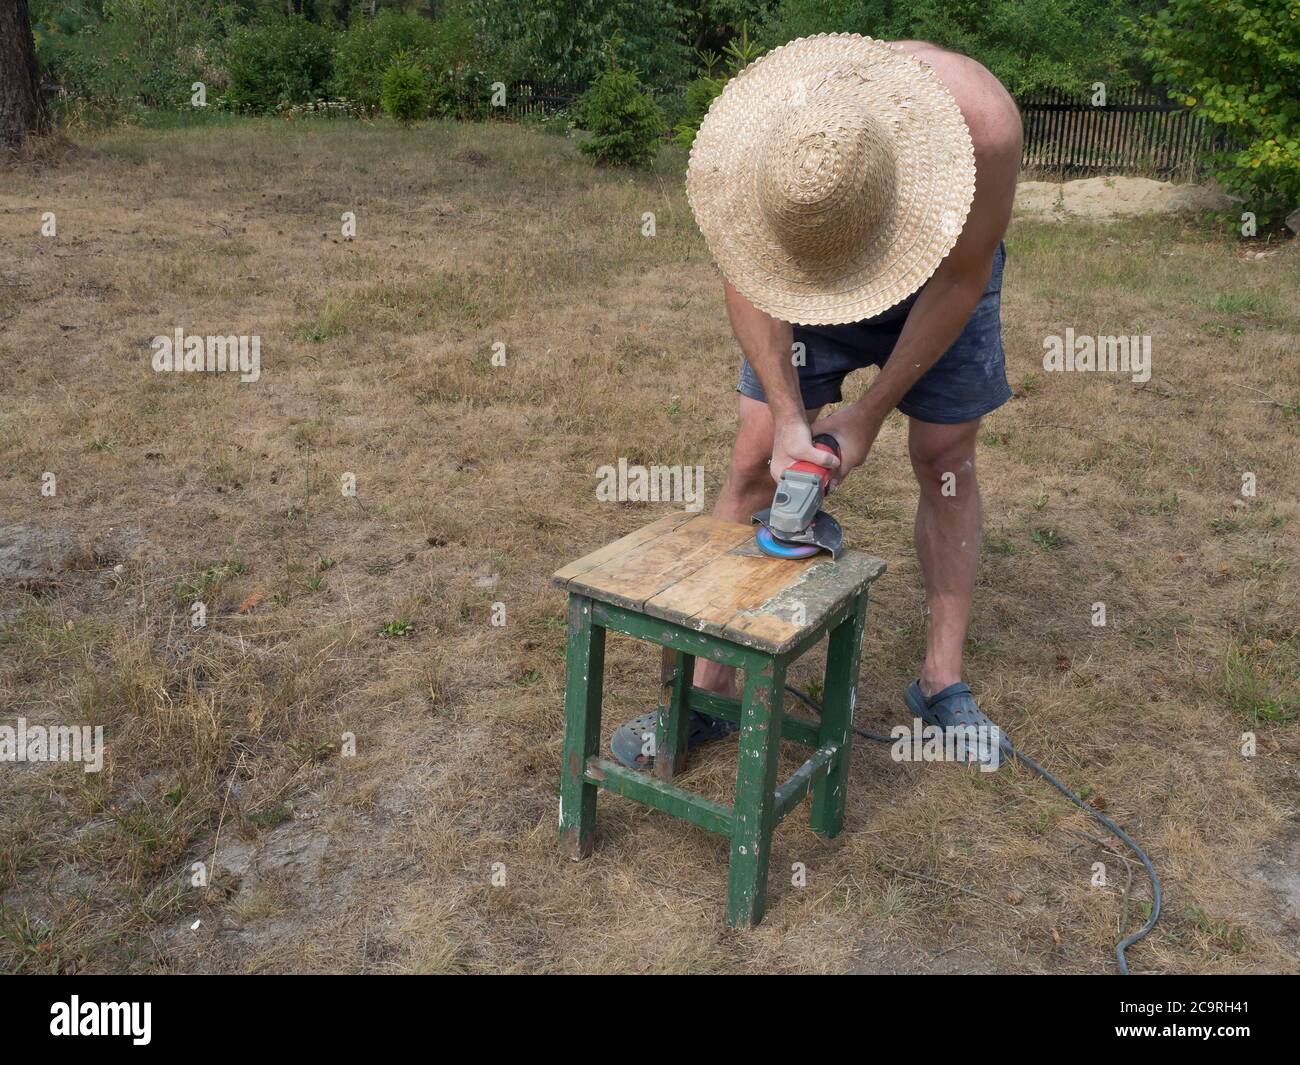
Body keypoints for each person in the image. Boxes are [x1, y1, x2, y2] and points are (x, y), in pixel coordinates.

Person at [611, 34, 1021, 771]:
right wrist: (790, 416)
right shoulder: (763, 133)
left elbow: (960, 281)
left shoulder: (982, 126)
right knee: (754, 458)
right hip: (806, 269)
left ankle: (940, 681)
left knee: (944, 455)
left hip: (941, 279)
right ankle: (711, 692)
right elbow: (747, 270)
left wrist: (865, 416)